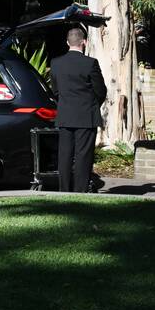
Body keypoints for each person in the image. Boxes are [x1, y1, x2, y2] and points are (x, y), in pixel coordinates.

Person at [49, 26, 107, 194]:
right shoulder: (90, 63)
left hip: (65, 115)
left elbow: (56, 91)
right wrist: (92, 104)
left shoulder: (56, 63)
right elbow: (100, 91)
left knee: (65, 155)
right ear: (85, 42)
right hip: (86, 116)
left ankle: (64, 191)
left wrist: (65, 103)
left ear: (67, 43)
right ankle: (80, 191)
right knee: (83, 155)